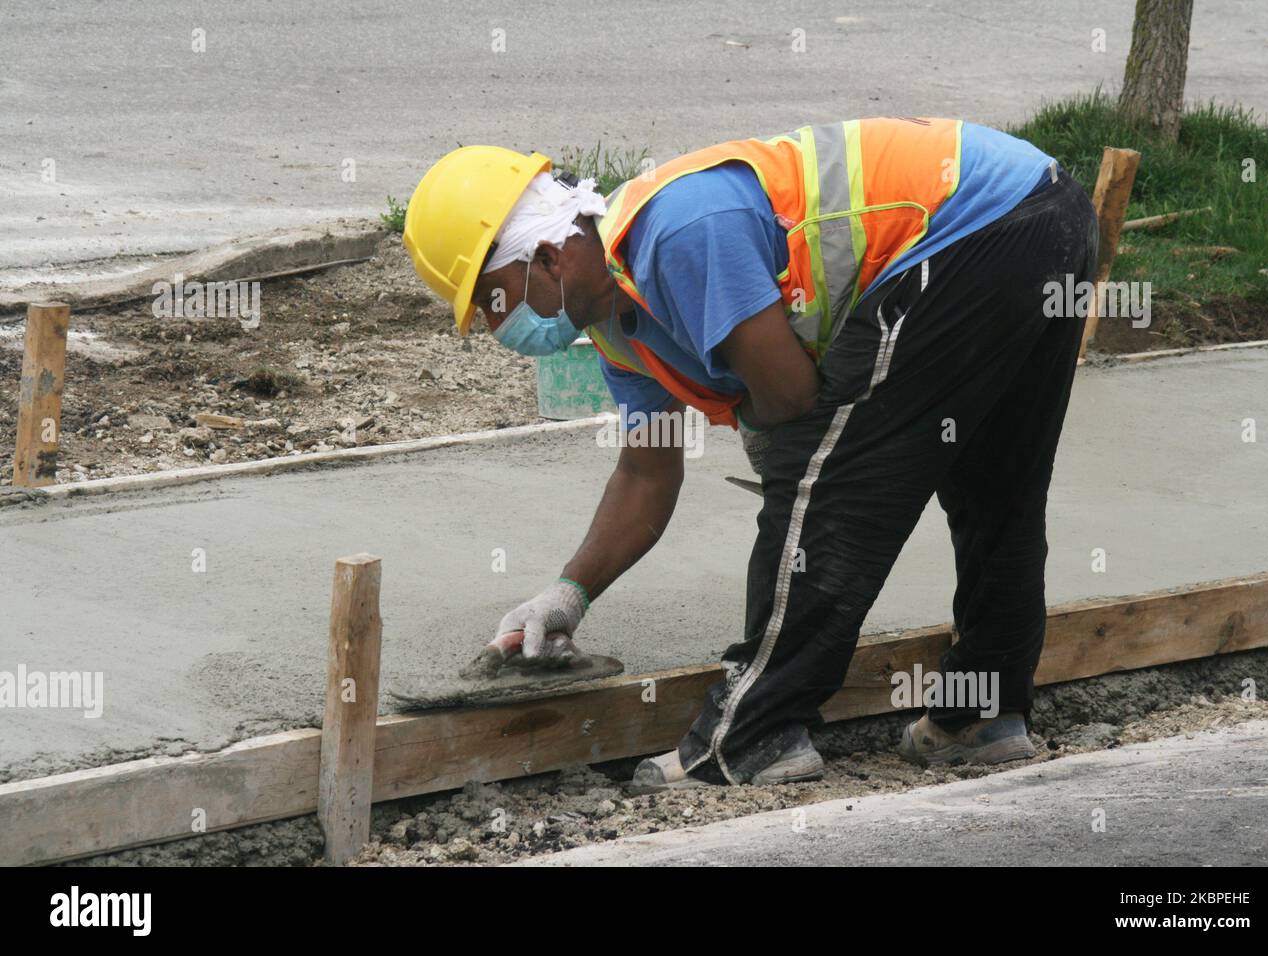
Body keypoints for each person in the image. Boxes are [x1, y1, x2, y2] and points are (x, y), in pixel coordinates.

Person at [402, 117, 1099, 790]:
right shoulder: (620, 328)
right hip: (1041, 211)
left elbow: (792, 400)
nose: (498, 329)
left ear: (548, 257)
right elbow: (648, 469)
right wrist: (568, 594)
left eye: (492, 304)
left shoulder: (676, 231)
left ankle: (752, 734)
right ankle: (984, 714)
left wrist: (779, 447)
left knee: (829, 488)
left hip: (966, 226)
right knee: (994, 483)